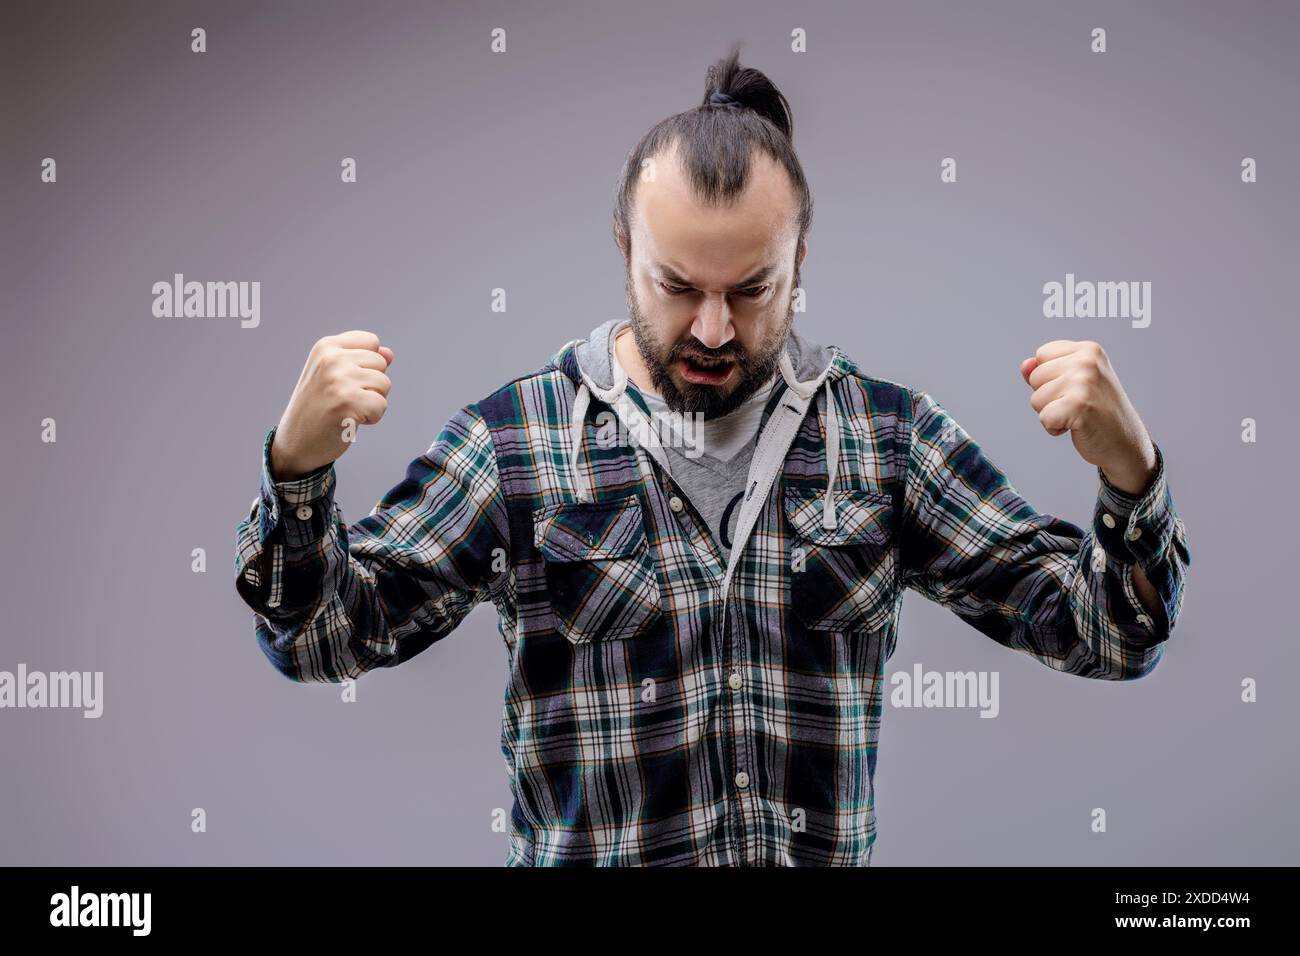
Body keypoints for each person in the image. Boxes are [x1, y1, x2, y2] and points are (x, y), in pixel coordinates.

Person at [234, 46, 1191, 866]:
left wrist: (1130, 476)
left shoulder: (889, 441)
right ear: (624, 246)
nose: (712, 329)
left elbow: (1107, 636)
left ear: (801, 260)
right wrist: (298, 471)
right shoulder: (514, 445)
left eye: (752, 289)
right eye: (677, 285)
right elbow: (321, 641)